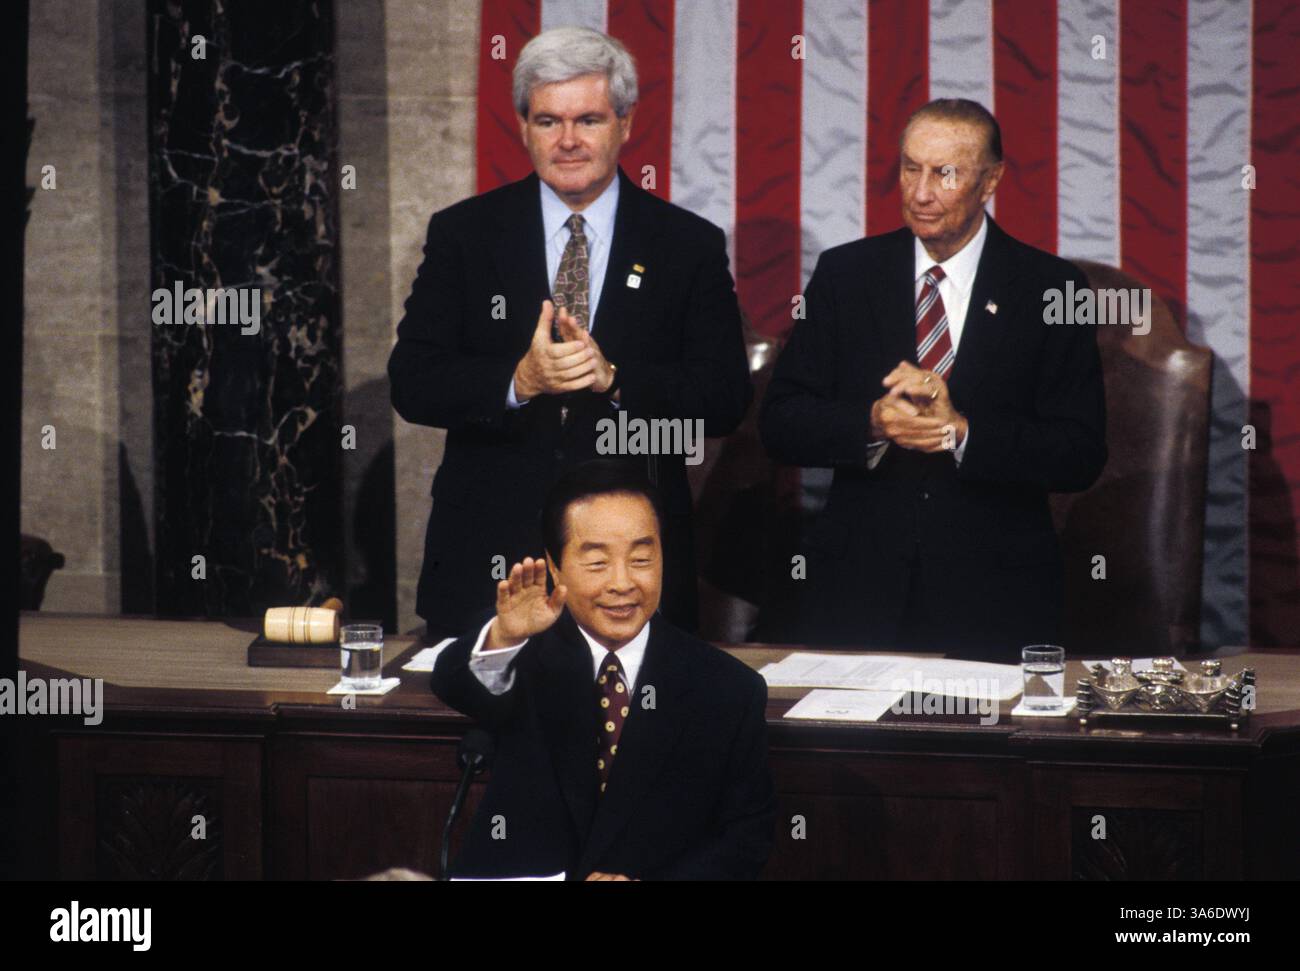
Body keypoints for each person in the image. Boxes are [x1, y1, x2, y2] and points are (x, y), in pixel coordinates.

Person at [388, 26, 751, 638]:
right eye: (548, 121)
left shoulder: (686, 244)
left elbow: (722, 401)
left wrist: (617, 383)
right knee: (481, 731)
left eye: (588, 119)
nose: (568, 141)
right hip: (490, 559)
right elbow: (413, 382)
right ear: (524, 127)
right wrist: (517, 381)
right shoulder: (465, 234)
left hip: (630, 568)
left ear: (625, 124)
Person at [759, 98, 1106, 661]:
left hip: (995, 598)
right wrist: (871, 422)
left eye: (945, 173)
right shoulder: (846, 275)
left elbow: (1080, 452)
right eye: (909, 168)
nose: (920, 192)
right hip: (858, 593)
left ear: (991, 179)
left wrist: (963, 432)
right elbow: (780, 423)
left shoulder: (1050, 287)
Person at [430, 460, 775, 880]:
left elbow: (746, 838)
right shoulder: (523, 649)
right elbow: (453, 681)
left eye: (642, 558)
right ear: (555, 567)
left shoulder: (726, 689)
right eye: (597, 564)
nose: (622, 582)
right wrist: (504, 635)